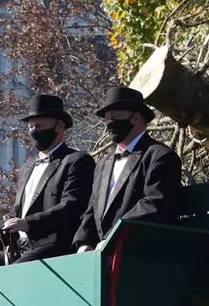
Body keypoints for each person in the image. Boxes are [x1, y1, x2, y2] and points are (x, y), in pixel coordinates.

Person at [0, 93, 95, 264]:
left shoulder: (76, 160)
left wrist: (29, 224)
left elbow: (72, 206)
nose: (34, 131)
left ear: (60, 126)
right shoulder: (28, 166)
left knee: (17, 273)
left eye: (39, 126)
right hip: (20, 248)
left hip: (55, 247)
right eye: (31, 127)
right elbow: (18, 215)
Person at [73, 85, 183, 253]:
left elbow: (155, 204)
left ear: (136, 118)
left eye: (115, 116)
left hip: (140, 252)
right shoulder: (103, 163)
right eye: (107, 118)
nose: (109, 123)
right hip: (102, 255)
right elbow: (92, 209)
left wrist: (113, 238)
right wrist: (84, 242)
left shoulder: (159, 156)